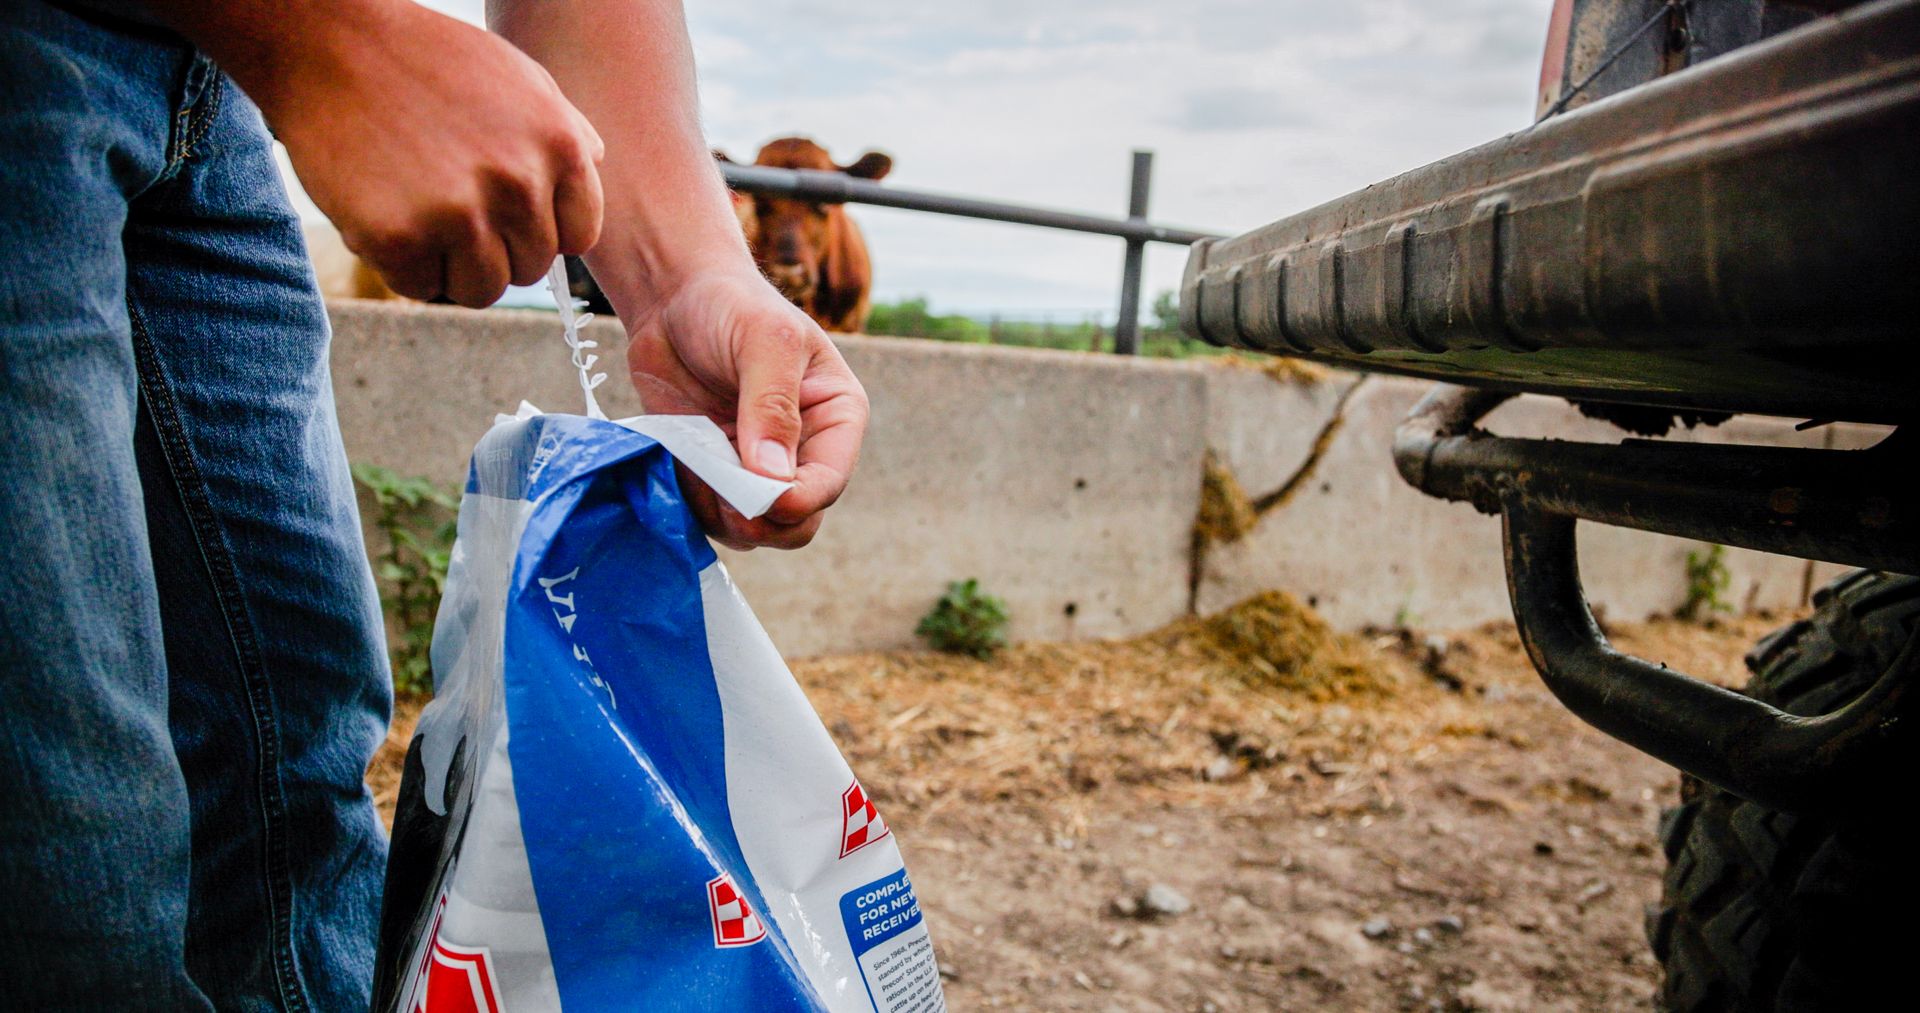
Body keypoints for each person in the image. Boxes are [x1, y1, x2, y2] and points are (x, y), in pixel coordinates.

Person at [0, 0, 869, 1007]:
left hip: (221, 91)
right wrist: (328, 38)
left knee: (298, 748)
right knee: (75, 828)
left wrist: (689, 278)